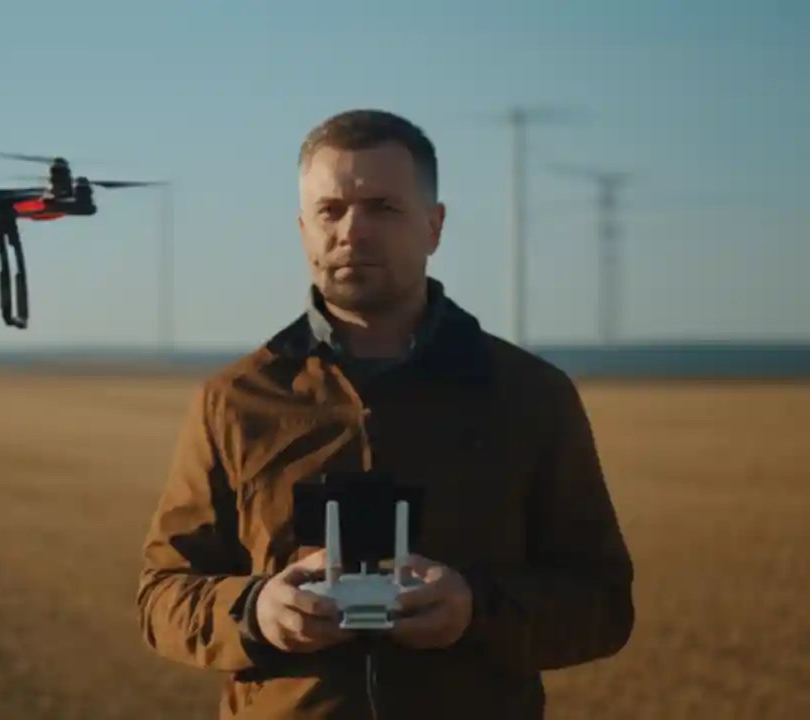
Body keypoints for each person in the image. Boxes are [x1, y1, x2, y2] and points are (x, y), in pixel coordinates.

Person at [135, 109, 634, 719]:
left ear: (434, 226)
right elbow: (163, 593)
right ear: (302, 228)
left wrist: (475, 609)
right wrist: (256, 610)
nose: (353, 231)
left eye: (383, 208)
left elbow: (602, 603)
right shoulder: (235, 400)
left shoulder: (531, 395)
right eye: (331, 210)